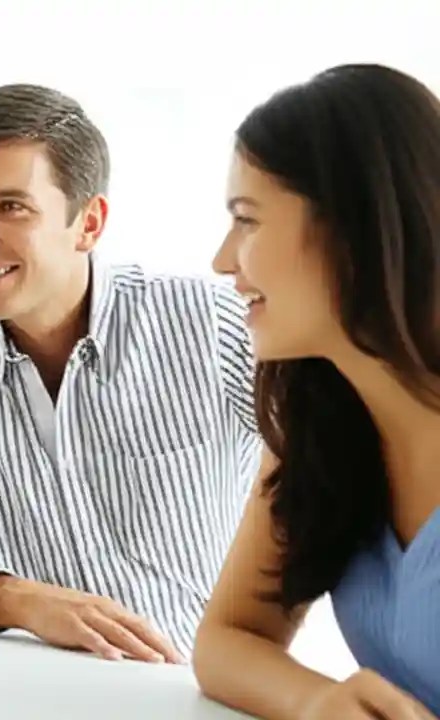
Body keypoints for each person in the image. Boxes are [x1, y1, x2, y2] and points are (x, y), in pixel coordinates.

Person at [0, 83, 260, 662]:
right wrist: (10, 598)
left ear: (88, 223)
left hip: (188, 693)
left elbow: (347, 471)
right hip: (26, 698)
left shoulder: (211, 326)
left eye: (11, 207)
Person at [194, 63, 440, 719]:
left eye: (247, 220)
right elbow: (227, 638)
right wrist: (318, 702)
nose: (223, 260)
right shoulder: (320, 426)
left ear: (352, 228)